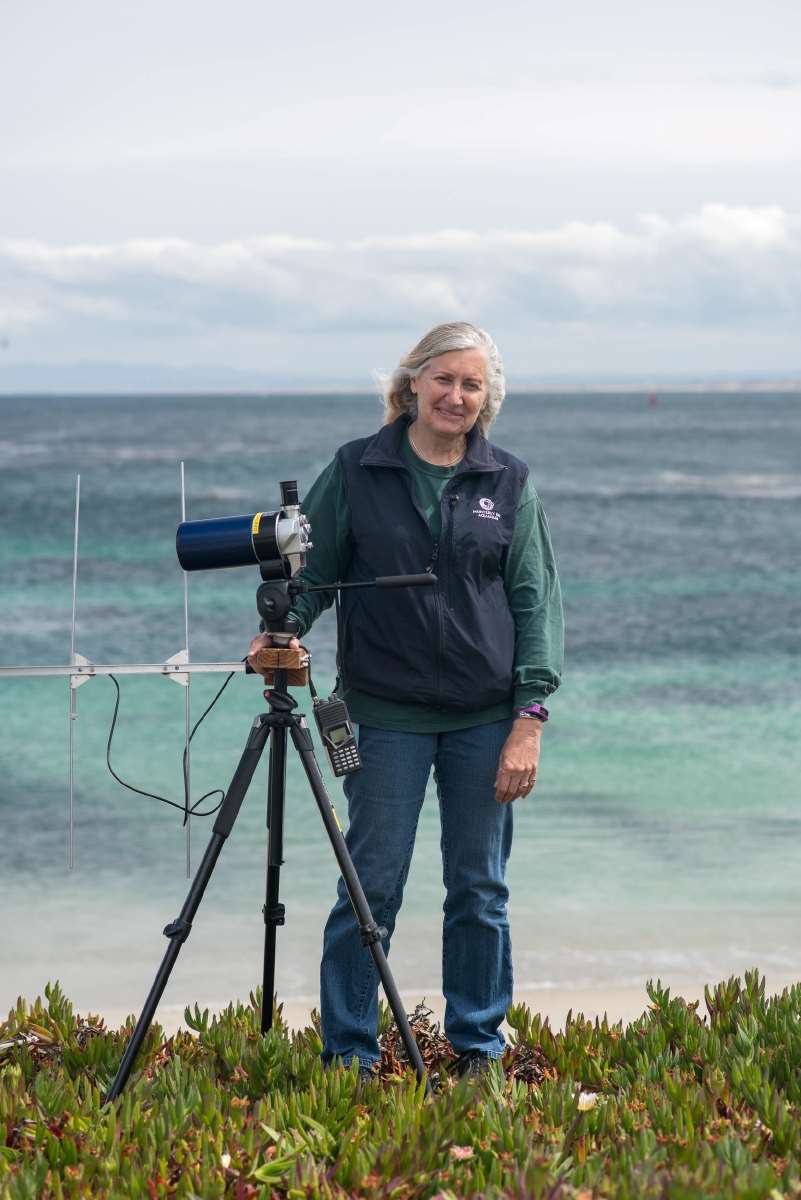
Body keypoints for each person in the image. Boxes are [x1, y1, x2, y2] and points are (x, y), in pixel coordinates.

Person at [248, 322, 563, 1078]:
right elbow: (312, 576)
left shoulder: (508, 481)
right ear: (413, 382)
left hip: (485, 719)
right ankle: (347, 1056)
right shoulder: (358, 468)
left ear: (488, 398)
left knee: (479, 889)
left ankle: (478, 1048)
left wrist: (529, 719)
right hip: (380, 717)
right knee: (369, 889)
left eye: (472, 384)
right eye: (444, 379)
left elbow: (535, 604)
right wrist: (280, 633)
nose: (456, 396)